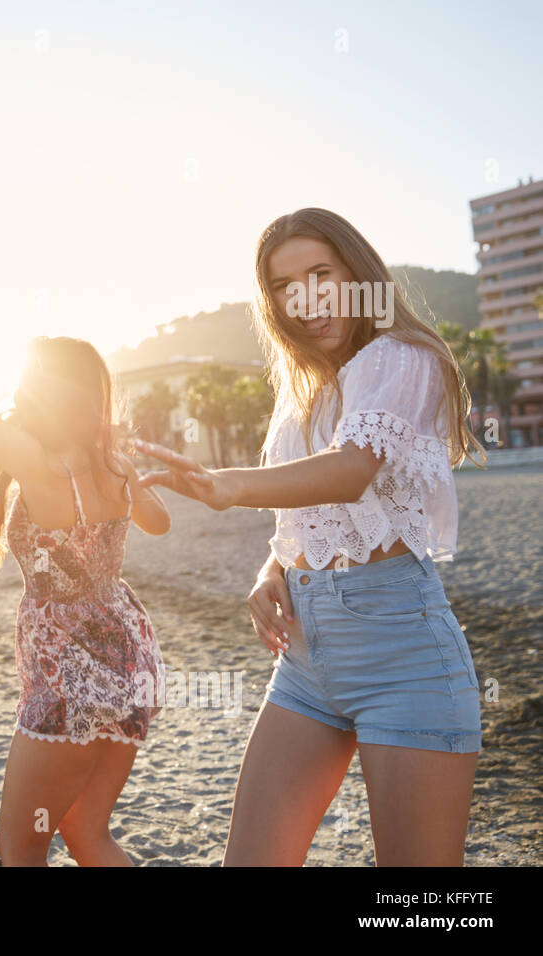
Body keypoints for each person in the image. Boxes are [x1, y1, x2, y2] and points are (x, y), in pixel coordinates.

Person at [136, 207, 484, 866]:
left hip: (402, 655)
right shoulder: (301, 394)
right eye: (285, 287)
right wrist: (273, 568)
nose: (307, 298)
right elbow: (309, 518)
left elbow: (352, 472)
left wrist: (226, 486)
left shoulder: (403, 358)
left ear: (356, 273)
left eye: (321, 273)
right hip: (303, 662)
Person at [0, 229, 172, 866]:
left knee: (19, 850)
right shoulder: (112, 462)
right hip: (130, 656)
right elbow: (159, 523)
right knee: (89, 835)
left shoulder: (35, 462)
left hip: (69, 672)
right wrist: (128, 472)